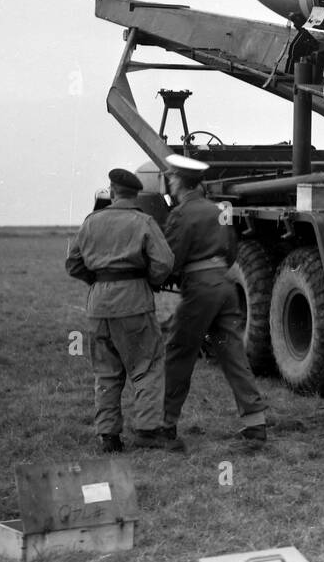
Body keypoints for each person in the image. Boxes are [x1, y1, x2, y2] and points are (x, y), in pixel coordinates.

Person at [156, 153, 269, 450]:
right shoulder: (219, 210)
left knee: (179, 351)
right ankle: (255, 422)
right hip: (224, 286)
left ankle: (166, 424)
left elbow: (171, 257)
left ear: (178, 181)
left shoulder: (181, 214)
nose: (169, 183)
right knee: (232, 352)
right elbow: (231, 251)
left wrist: (159, 277)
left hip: (201, 290)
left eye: (171, 178)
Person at [66, 168, 175, 453]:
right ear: (135, 194)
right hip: (134, 301)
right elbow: (164, 262)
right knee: (147, 366)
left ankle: (108, 436)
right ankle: (148, 431)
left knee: (106, 372)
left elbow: (73, 263)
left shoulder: (91, 222)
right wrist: (147, 281)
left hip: (98, 305)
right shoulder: (144, 221)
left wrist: (99, 280)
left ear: (112, 192)